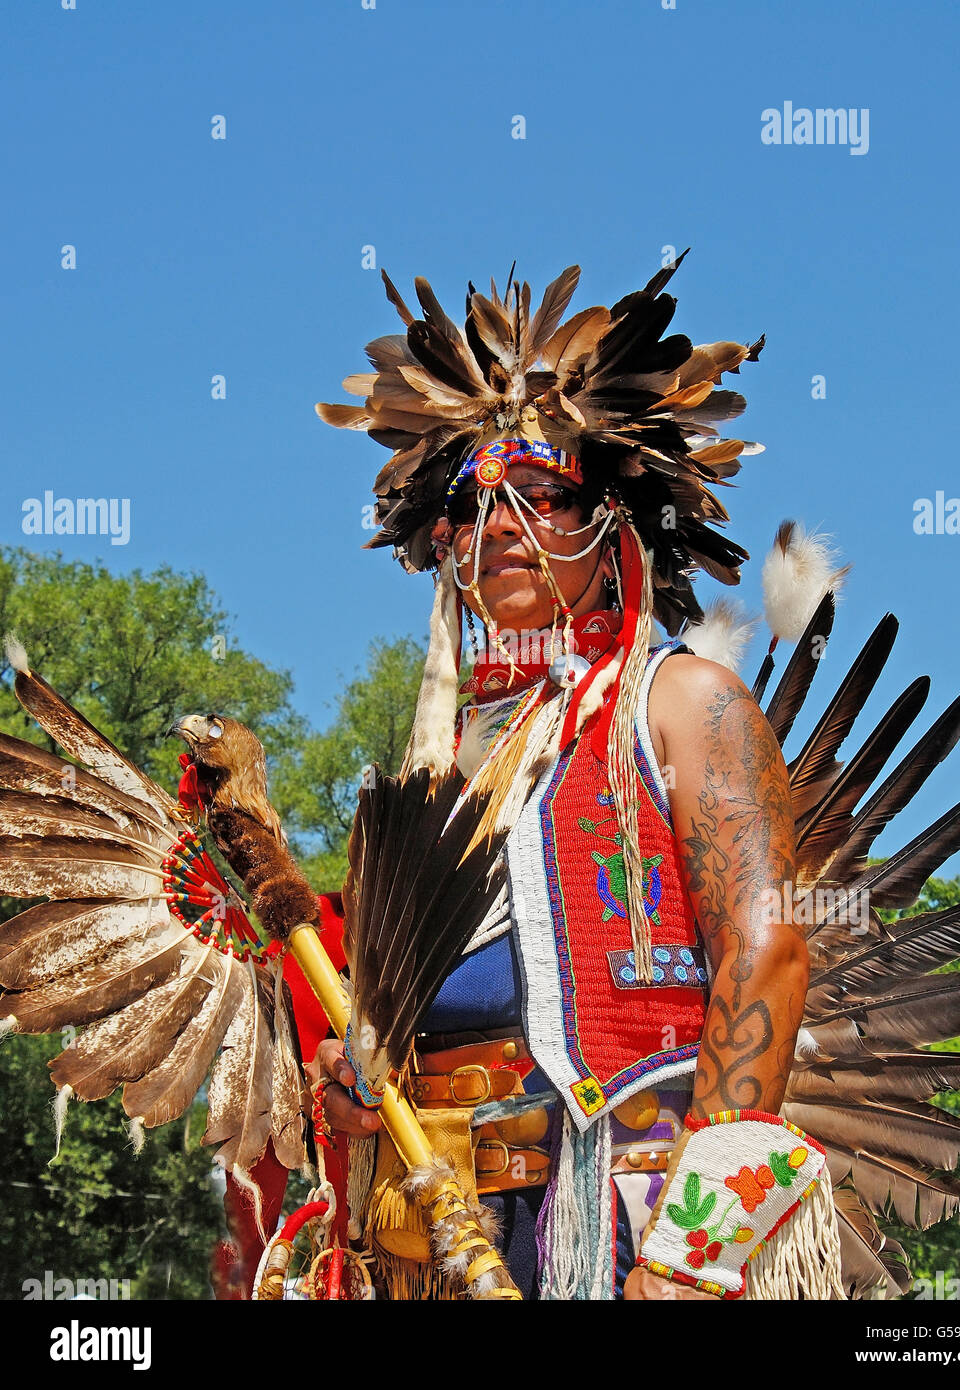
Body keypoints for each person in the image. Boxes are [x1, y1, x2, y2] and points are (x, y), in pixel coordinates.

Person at [308, 259, 844, 1298]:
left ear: (615, 526)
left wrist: (694, 1255)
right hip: (446, 1223)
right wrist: (355, 1078)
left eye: (543, 493)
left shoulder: (681, 702)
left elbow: (764, 948)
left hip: (623, 1216)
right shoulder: (443, 761)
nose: (501, 523)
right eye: (474, 504)